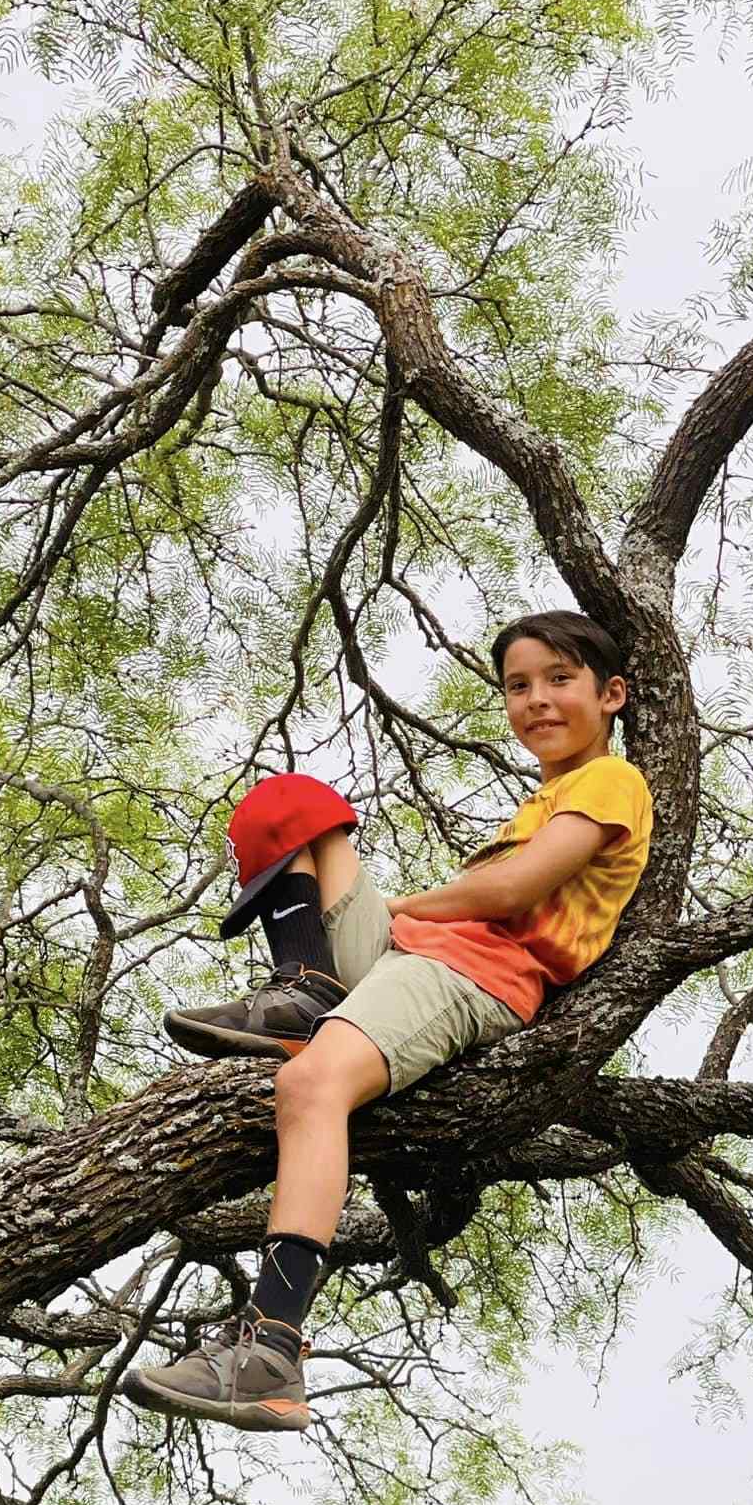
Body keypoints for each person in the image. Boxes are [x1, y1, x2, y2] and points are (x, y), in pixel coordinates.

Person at [121, 611, 653, 1433]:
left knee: (310, 1085)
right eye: (518, 686)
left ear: (611, 695)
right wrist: (397, 924)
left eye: (559, 679)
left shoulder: (611, 780)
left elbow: (512, 893)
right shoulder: (546, 797)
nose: (537, 700)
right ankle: (304, 986)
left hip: (468, 974)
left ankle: (271, 1347)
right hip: (411, 955)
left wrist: (401, 909)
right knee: (289, 806)